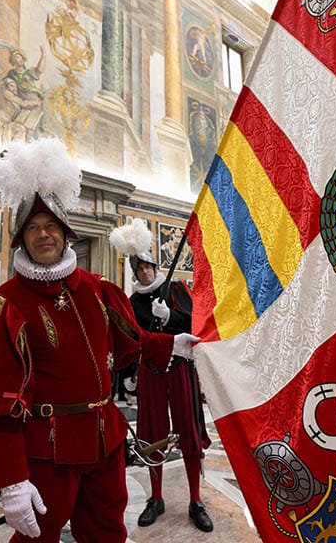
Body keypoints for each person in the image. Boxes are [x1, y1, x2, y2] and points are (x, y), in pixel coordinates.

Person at [0, 138, 199, 542]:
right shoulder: (5, 304)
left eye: (51, 227)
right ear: (21, 239)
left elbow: (133, 343)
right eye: (34, 229)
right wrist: (12, 481)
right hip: (47, 451)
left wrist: (174, 344)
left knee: (107, 534)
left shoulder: (98, 290)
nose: (44, 235)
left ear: (66, 234)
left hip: (104, 442)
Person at [110, 219, 213, 532]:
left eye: (148, 266)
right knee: (151, 434)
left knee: (189, 433)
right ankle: (155, 497)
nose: (145, 271)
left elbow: (195, 325)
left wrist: (172, 316)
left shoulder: (177, 290)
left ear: (155, 265)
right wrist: (128, 374)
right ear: (133, 270)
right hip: (150, 372)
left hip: (181, 368)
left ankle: (196, 499)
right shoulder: (131, 302)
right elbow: (129, 338)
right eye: (138, 267)